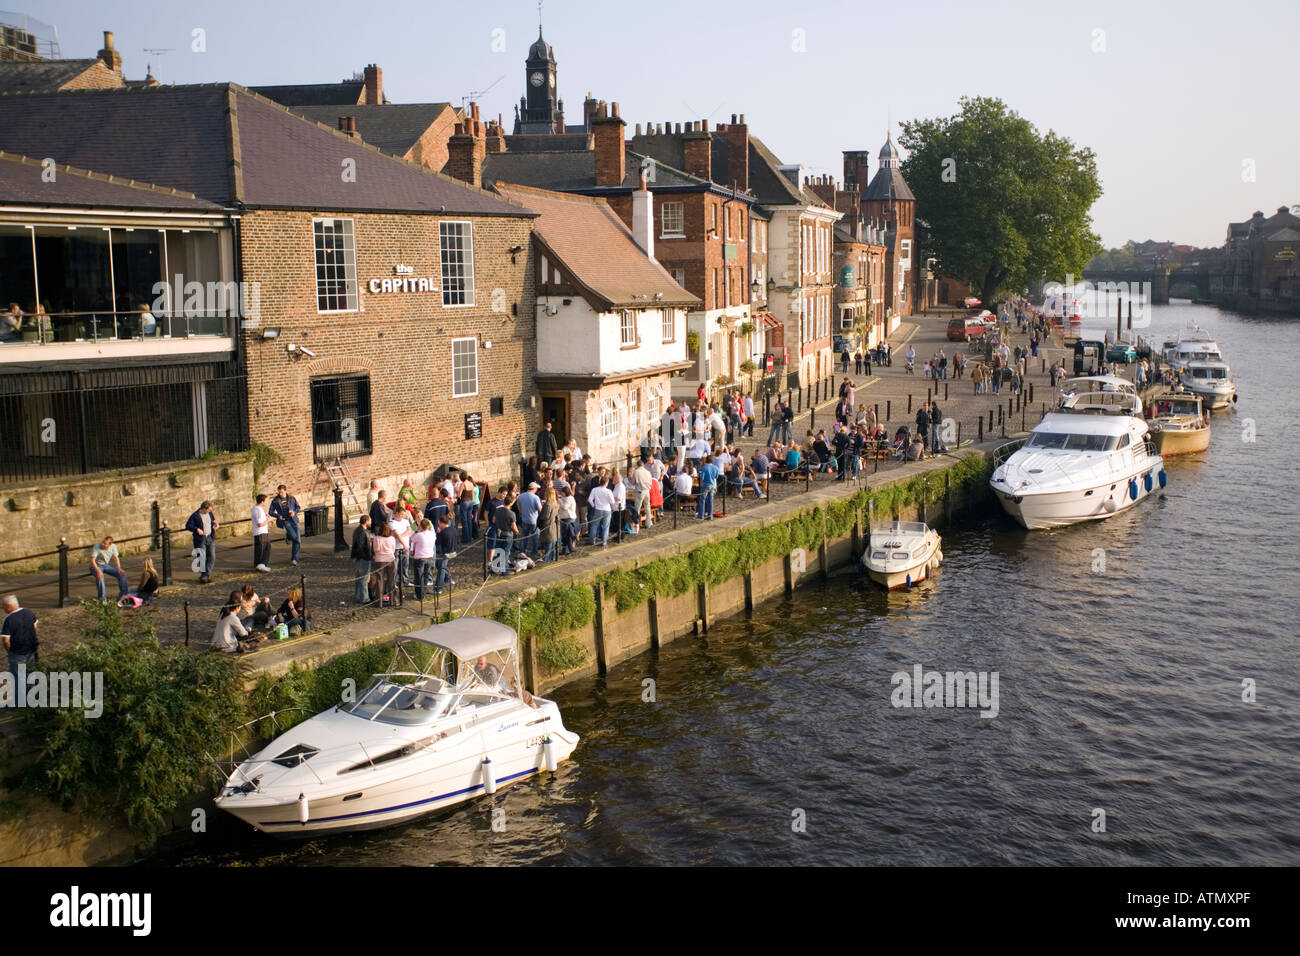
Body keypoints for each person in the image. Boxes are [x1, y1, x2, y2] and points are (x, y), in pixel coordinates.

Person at [1, 594, 38, 681]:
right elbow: (34, 626)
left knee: (17, 680)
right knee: (31, 677)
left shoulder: (9, 619)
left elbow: (5, 641)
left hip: (17, 653)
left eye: (3, 606)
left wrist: (9, 651)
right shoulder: (29, 612)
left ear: (9, 606)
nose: (2, 608)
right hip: (31, 650)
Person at [268, 485, 302, 567]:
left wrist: (294, 512)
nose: (280, 494)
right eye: (279, 492)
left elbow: (298, 507)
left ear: (285, 491)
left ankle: (294, 559)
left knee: (298, 541)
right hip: (285, 520)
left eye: (281, 492)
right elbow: (270, 512)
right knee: (295, 538)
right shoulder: (275, 501)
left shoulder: (291, 498)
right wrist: (278, 516)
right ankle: (289, 537)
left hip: (294, 519)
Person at [185, 501, 218, 583]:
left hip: (209, 537)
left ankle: (207, 574)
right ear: (203, 509)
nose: (210, 512)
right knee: (202, 557)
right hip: (200, 539)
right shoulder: (195, 515)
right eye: (209, 510)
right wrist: (196, 529)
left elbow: (213, 521)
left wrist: (215, 524)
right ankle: (204, 576)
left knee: (212, 556)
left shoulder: (210, 514)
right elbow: (188, 525)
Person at [90, 535, 130, 601]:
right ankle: (102, 599)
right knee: (100, 577)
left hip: (106, 565)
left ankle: (123, 596)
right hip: (96, 566)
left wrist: (119, 568)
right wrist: (98, 571)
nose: (102, 544)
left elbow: (116, 558)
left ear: (109, 545)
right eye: (102, 542)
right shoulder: (97, 546)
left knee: (122, 574)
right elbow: (92, 560)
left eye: (105, 544)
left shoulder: (113, 546)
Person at [370, 523, 398, 605]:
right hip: (390, 559)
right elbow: (393, 549)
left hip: (380, 560)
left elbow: (376, 549)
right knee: (391, 580)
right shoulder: (392, 539)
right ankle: (393, 601)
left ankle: (379, 602)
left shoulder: (376, 538)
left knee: (379, 580)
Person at [410, 518, 436, 600]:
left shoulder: (419, 535)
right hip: (429, 556)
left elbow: (411, 539)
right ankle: (423, 592)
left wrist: (417, 531)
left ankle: (419, 595)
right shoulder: (432, 534)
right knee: (425, 575)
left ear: (421, 526)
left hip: (420, 557)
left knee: (418, 576)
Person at [351, 515, 374, 604]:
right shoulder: (362, 532)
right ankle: (364, 598)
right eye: (370, 521)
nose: (370, 523)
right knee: (364, 579)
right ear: (367, 521)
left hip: (359, 557)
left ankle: (358, 596)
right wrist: (368, 556)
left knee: (359, 578)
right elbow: (361, 546)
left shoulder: (358, 530)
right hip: (363, 558)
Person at [516, 481, 542, 558]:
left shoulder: (521, 496)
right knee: (535, 537)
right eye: (536, 488)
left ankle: (522, 551)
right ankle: (534, 552)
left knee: (524, 536)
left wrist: (523, 512)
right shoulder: (536, 497)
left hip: (524, 519)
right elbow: (540, 509)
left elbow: (519, 507)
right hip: (533, 520)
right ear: (533, 488)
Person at [389, 505, 413, 588]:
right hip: (397, 547)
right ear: (396, 513)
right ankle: (394, 582)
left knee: (405, 565)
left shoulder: (405, 521)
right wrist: (404, 543)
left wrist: (401, 536)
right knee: (395, 567)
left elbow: (409, 530)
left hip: (405, 546)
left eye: (403, 514)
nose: (402, 516)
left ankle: (405, 580)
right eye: (401, 514)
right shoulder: (392, 523)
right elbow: (396, 534)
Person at [587, 476, 615, 546]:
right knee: (606, 526)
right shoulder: (609, 491)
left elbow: (590, 499)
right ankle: (604, 541)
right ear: (606, 483)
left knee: (594, 525)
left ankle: (592, 540)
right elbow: (612, 502)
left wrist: (593, 505)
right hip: (607, 509)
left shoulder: (594, 489)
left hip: (598, 509)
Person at [434, 514, 459, 591]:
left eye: (439, 523)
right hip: (454, 551)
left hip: (446, 554)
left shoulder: (443, 532)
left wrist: (438, 533)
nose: (438, 525)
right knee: (439, 565)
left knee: (441, 568)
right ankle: (448, 579)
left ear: (442, 523)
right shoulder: (454, 529)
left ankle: (438, 588)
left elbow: (437, 542)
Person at [538, 487, 560, 561]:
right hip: (553, 525)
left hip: (547, 526)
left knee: (548, 544)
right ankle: (552, 558)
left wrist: (541, 515)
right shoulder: (555, 503)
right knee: (552, 544)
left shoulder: (548, 504)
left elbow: (545, 516)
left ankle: (547, 559)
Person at [251, 493, 272, 572]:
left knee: (259, 549)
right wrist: (268, 520)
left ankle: (257, 564)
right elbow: (260, 524)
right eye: (265, 501)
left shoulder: (256, 508)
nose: (266, 502)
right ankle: (262, 564)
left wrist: (265, 514)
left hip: (259, 533)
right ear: (262, 501)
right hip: (261, 532)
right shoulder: (258, 510)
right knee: (265, 548)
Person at [697, 455, 720, 520]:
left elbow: (702, 478)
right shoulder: (716, 467)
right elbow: (716, 476)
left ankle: (701, 515)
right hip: (713, 484)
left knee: (702, 500)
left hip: (706, 484)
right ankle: (710, 515)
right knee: (710, 500)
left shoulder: (704, 468)